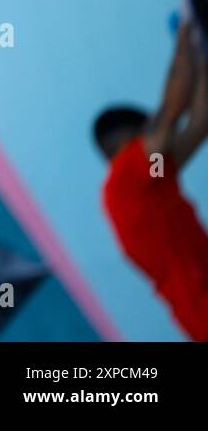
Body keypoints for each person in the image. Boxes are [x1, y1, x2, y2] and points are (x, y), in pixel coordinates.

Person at [95, 18, 208, 341]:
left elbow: (200, 120)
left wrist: (201, 56)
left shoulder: (154, 178)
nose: (150, 140)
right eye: (141, 135)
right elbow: (172, 112)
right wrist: (187, 33)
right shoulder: (124, 176)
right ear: (117, 144)